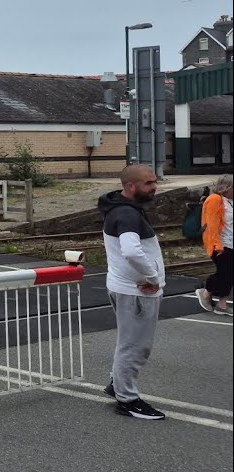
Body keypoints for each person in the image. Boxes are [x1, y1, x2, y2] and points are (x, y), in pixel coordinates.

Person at [99, 164, 166, 420]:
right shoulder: (127, 214)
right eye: (149, 183)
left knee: (128, 342)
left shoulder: (122, 209)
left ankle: (117, 384)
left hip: (125, 287)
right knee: (136, 346)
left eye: (154, 181)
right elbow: (131, 251)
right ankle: (127, 400)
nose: (154, 187)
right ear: (131, 186)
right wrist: (151, 277)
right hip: (136, 291)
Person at [197, 174, 233, 315]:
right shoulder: (215, 199)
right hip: (221, 244)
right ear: (227, 187)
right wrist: (217, 245)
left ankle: (221, 304)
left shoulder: (230, 201)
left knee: (229, 274)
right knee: (224, 273)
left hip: (231, 242)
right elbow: (211, 225)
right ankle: (207, 291)